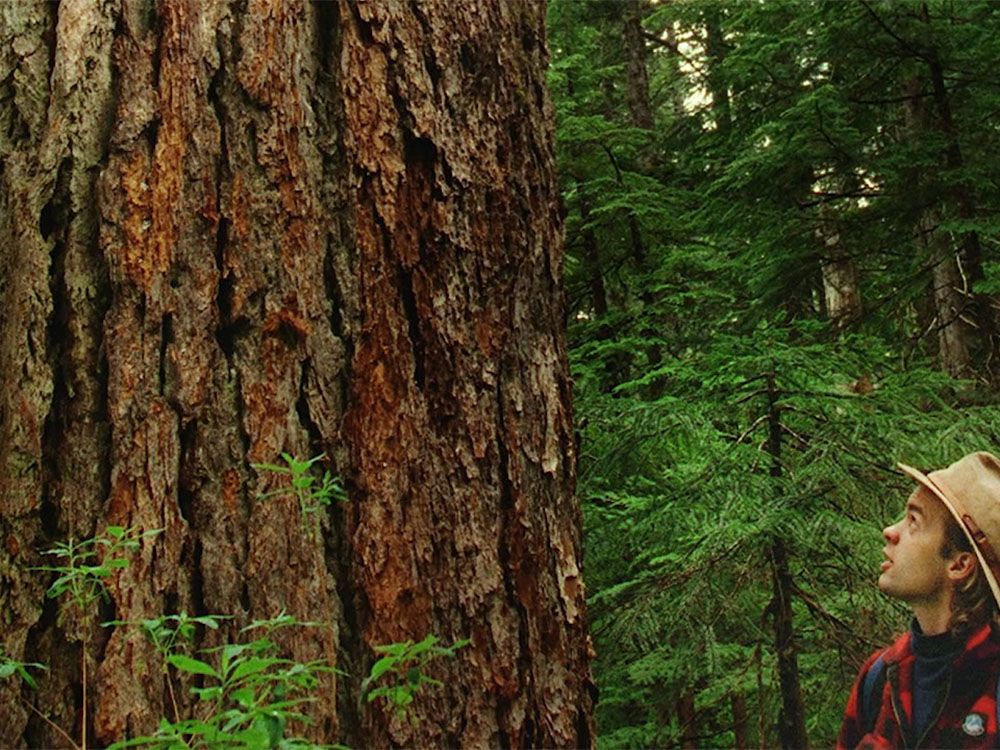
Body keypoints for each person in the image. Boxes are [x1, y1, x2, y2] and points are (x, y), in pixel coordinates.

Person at [838, 451, 1000, 749]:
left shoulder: (993, 686)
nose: (890, 531)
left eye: (914, 521)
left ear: (959, 565)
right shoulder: (878, 677)